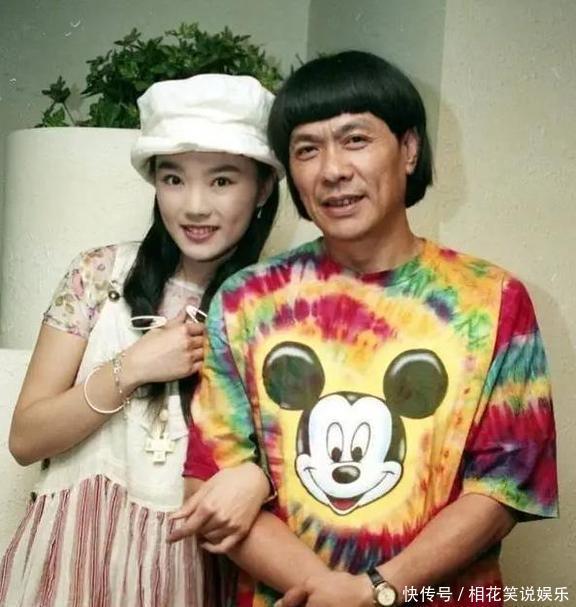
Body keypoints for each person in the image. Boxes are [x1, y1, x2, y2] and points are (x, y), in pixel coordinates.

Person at [176, 51, 558, 607]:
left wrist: (378, 588)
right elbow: (211, 480)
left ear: (409, 149)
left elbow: (506, 486)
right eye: (307, 149)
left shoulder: (492, 299)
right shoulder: (247, 301)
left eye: (355, 139)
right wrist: (330, 593)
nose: (332, 170)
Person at [0, 73, 283, 606]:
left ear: (263, 186)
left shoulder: (278, 306)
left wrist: (260, 480)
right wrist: (131, 367)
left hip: (192, 570)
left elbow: (294, 461)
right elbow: (26, 438)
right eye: (174, 179)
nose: (194, 206)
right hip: (73, 563)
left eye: (222, 181)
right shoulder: (98, 274)